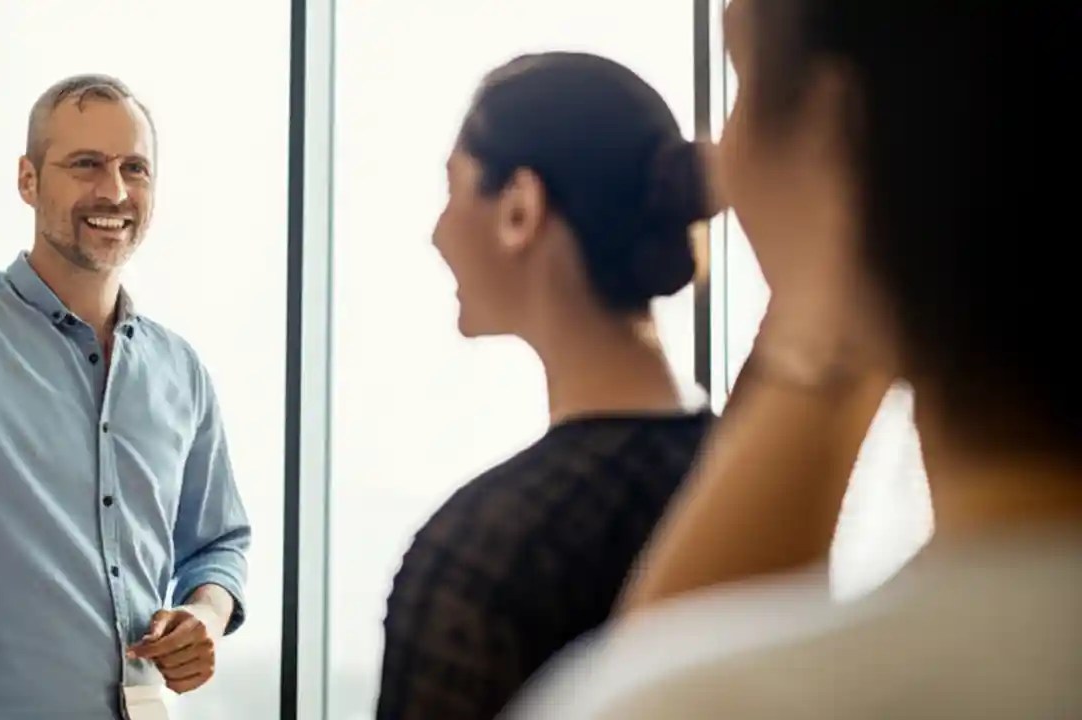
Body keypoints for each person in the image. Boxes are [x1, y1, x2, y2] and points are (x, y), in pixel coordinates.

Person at [505, 1, 1081, 717]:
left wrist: (856, 271)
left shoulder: (702, 701)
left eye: (740, 79)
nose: (717, 162)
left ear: (840, 147)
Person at [375, 52, 719, 720]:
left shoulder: (486, 556)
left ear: (520, 208)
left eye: (454, 190)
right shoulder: (756, 476)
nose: (438, 231)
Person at [0, 74, 250, 719]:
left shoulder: (182, 371)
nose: (114, 191)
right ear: (28, 180)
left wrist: (206, 611)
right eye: (86, 164)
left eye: (134, 168)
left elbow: (220, 542)